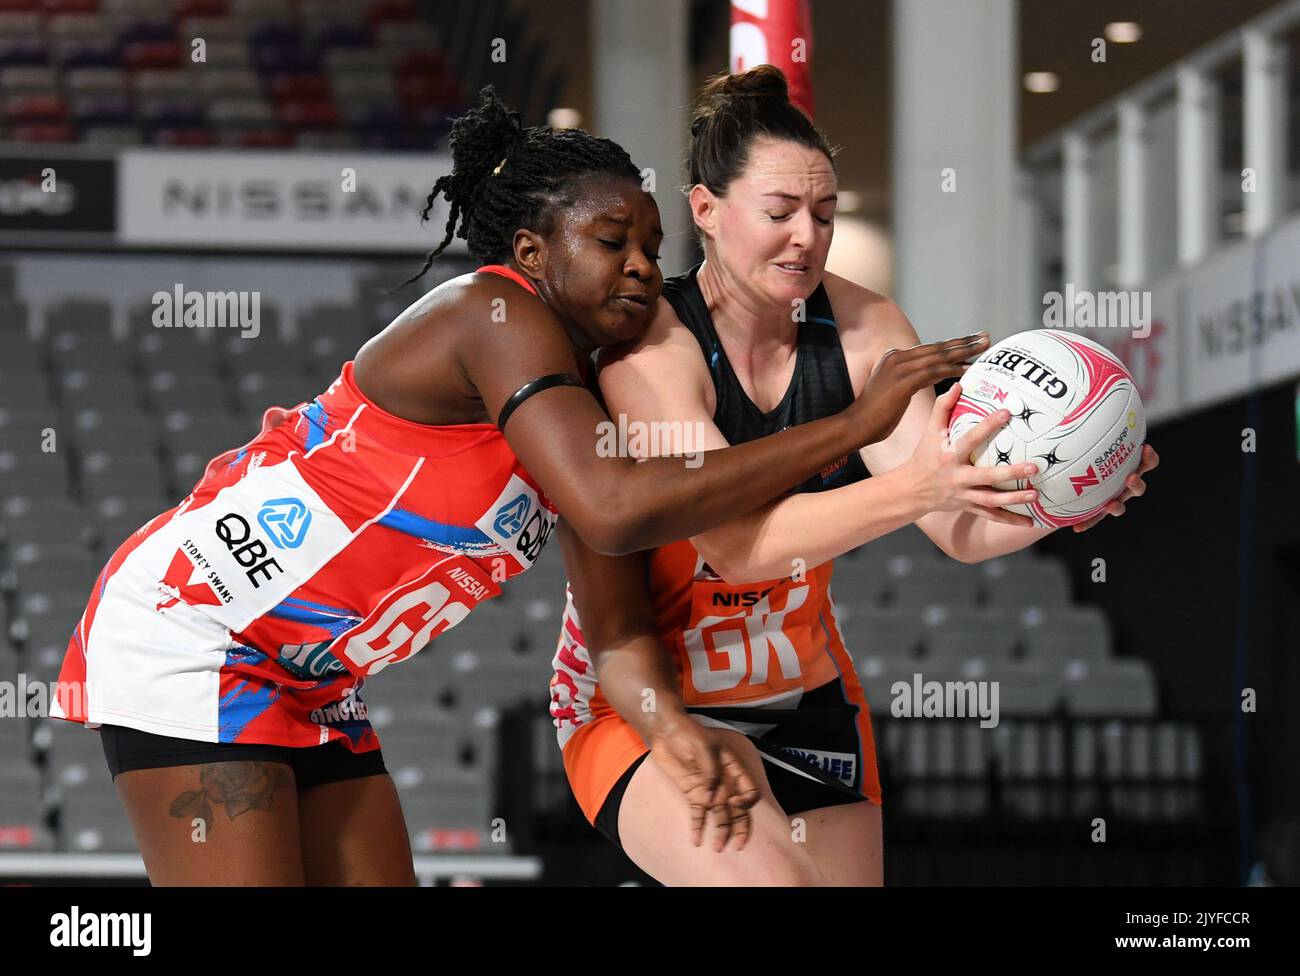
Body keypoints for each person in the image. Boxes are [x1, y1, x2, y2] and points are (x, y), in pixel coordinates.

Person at [49, 86, 986, 885]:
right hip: (195, 630)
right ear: (532, 252)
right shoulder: (492, 313)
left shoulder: (581, 399)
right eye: (611, 240)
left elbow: (616, 623)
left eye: (651, 245)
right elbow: (617, 508)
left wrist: (672, 729)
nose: (640, 265)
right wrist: (854, 428)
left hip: (311, 671)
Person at [550, 65, 1159, 886]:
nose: (807, 235)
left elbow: (957, 528)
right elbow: (735, 548)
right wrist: (920, 486)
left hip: (805, 700)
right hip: (649, 699)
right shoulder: (652, 350)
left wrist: (1061, 497)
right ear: (706, 210)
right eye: (780, 213)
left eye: (826, 214)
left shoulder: (867, 328)